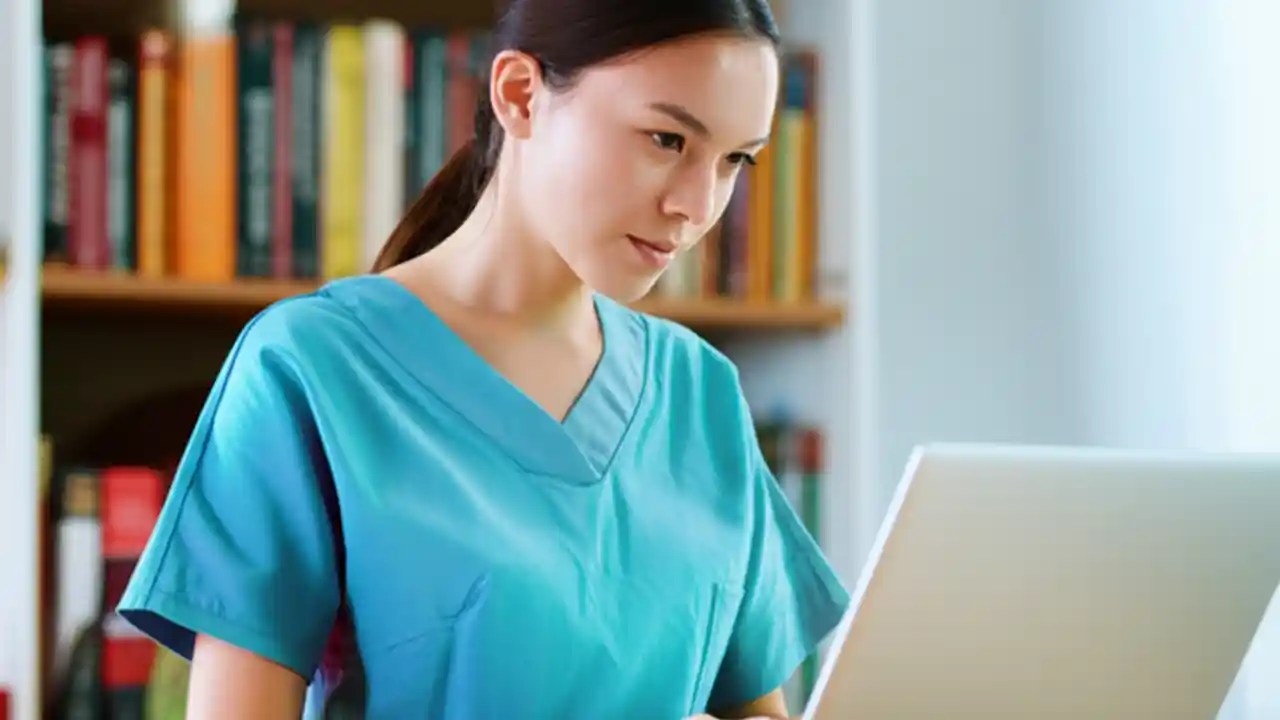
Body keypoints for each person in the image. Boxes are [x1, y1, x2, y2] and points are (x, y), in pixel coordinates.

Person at [116, 0, 851, 717]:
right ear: (521, 95)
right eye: (667, 140)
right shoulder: (310, 369)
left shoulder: (700, 394)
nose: (698, 204)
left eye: (736, 161)